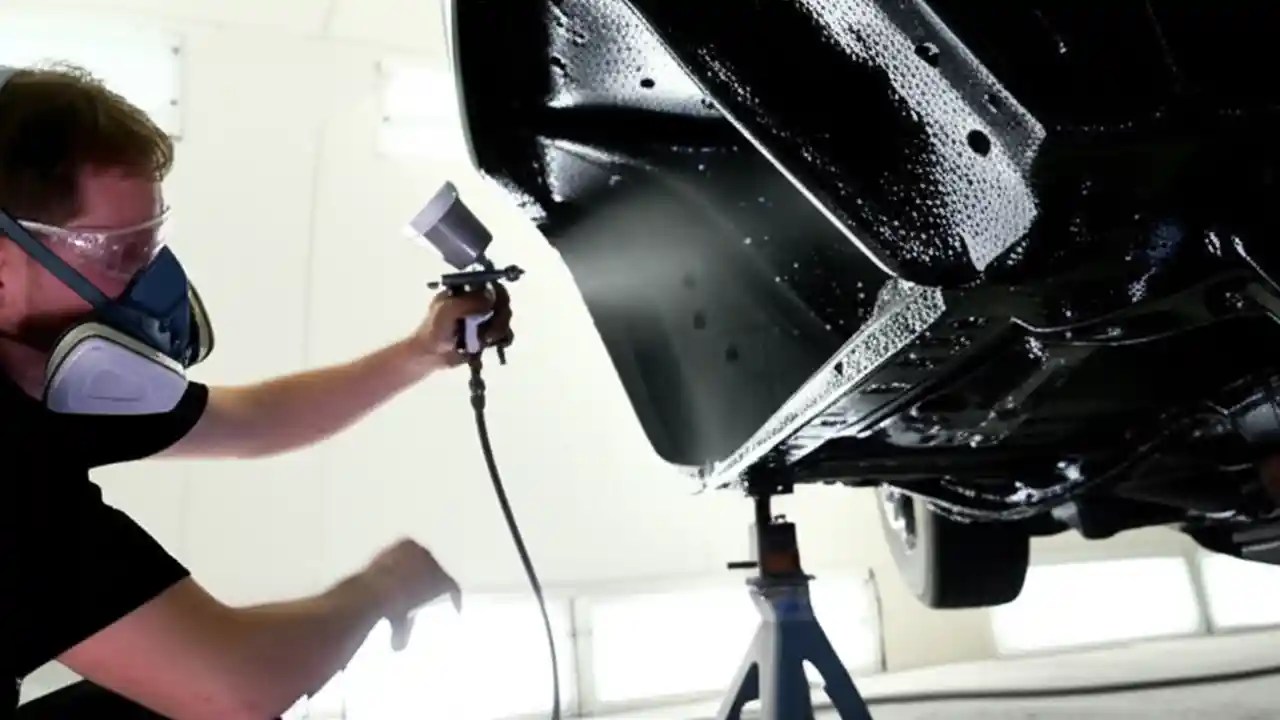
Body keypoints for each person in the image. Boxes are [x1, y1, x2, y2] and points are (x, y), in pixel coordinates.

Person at [1, 64, 513, 718]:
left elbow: (251, 421)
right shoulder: (10, 465)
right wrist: (381, 589)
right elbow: (235, 690)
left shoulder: (42, 377)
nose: (147, 285)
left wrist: (420, 353)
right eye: (114, 254)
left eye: (149, 249)